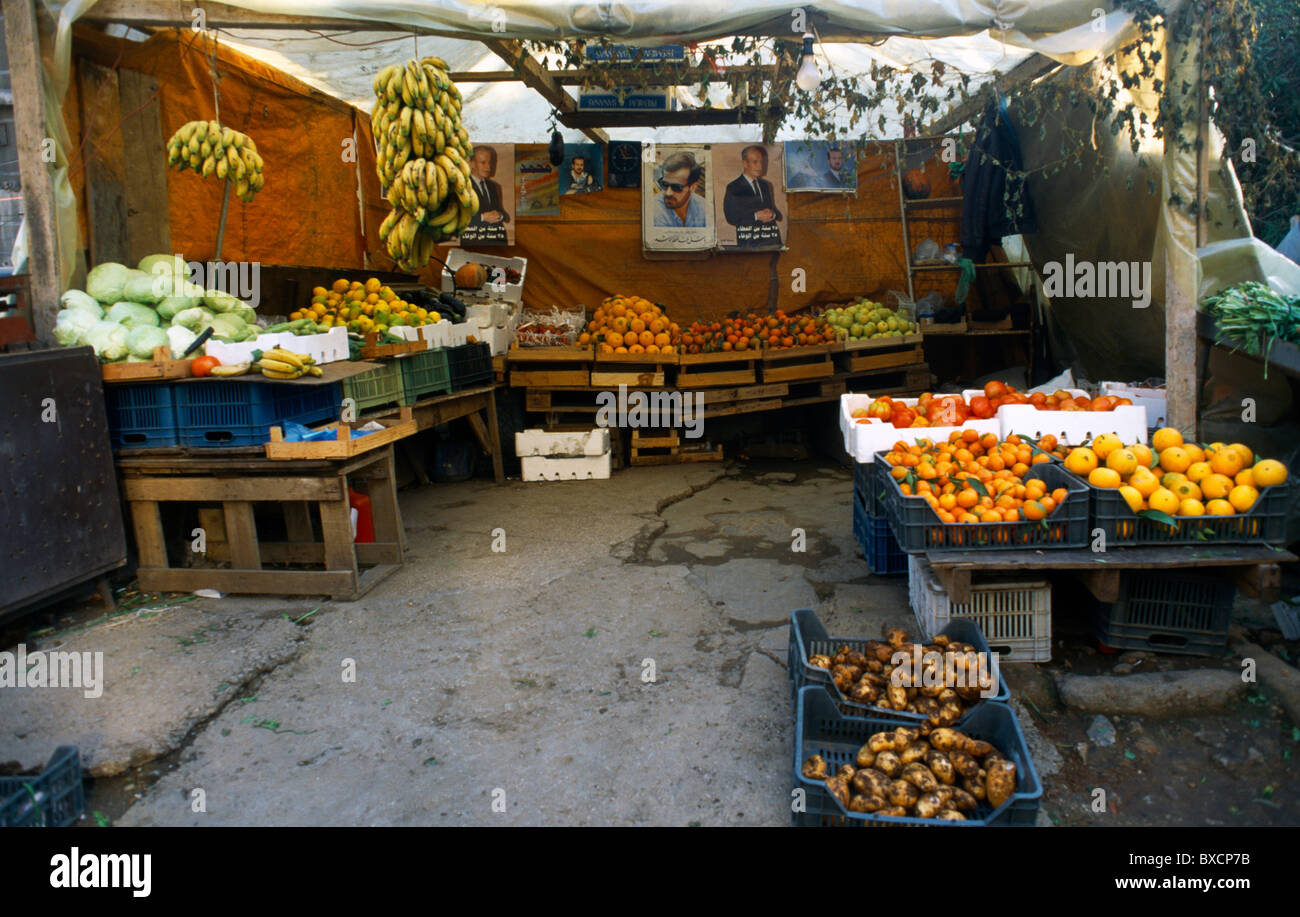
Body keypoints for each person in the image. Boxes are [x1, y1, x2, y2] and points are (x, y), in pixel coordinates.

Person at [722, 145, 782, 244]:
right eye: (755, 162)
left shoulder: (765, 185)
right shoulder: (733, 187)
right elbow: (731, 217)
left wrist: (773, 214)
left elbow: (774, 210)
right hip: (749, 243)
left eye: (761, 162)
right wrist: (755, 216)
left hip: (772, 240)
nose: (760, 166)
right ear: (745, 163)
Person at [651, 151, 708, 227]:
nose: (668, 193)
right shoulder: (655, 209)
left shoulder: (704, 208)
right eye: (664, 184)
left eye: (676, 187)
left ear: (693, 187)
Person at [467, 145, 509, 226]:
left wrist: (500, 215)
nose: (488, 167)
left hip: (495, 237)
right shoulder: (462, 186)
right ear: (472, 164)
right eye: (483, 162)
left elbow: (503, 214)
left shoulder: (494, 187)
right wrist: (482, 217)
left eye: (490, 162)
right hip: (473, 237)